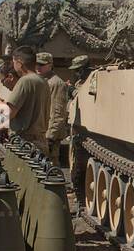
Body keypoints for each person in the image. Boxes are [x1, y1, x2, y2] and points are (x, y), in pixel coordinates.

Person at [0, 46, 50, 154]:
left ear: (19, 63)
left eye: (14, 62)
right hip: (40, 141)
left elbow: (5, 116)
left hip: (25, 144)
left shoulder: (25, 81)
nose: (14, 66)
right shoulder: (43, 81)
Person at [66, 55, 93, 211]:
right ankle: (81, 199)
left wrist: (72, 91)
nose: (76, 73)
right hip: (79, 131)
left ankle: (82, 200)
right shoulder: (80, 82)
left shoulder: (90, 80)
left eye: (78, 71)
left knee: (79, 170)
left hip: (85, 134)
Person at [37, 52, 70, 167]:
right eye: (36, 64)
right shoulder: (42, 81)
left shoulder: (56, 83)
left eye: (42, 64)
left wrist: (50, 137)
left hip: (49, 135)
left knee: (50, 167)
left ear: (50, 65)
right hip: (41, 133)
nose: (38, 67)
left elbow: (58, 113)